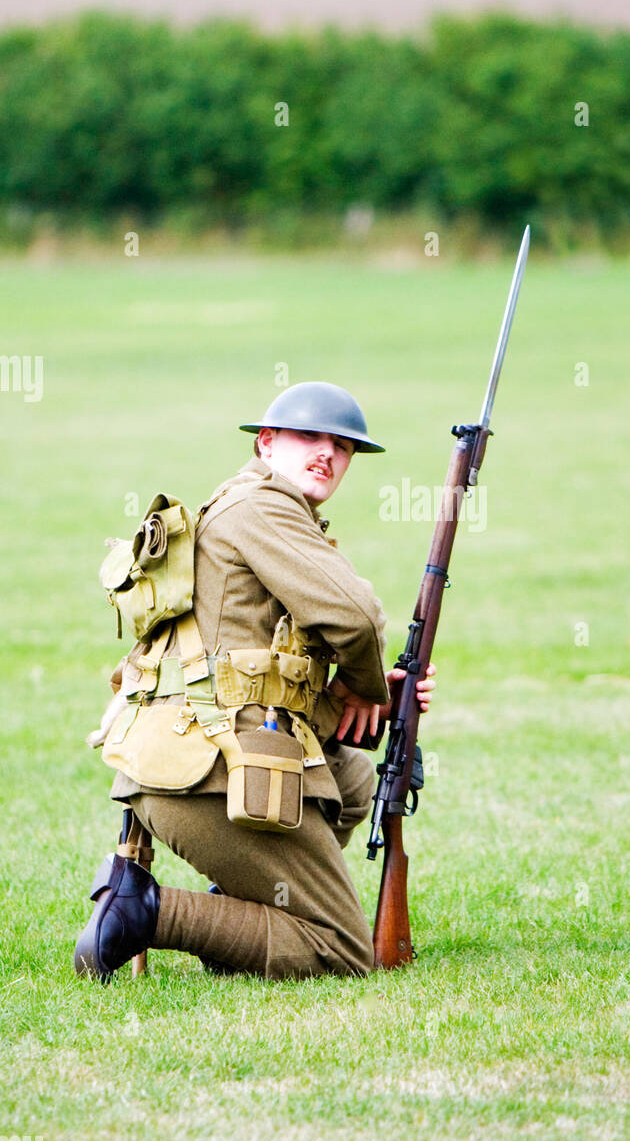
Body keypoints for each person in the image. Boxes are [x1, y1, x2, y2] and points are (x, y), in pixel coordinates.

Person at [74, 382, 435, 982]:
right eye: (308, 437)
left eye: (343, 445)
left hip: (187, 755)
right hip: (204, 770)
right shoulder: (263, 506)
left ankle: (237, 923)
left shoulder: (254, 506)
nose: (327, 453)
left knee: (350, 783)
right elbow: (358, 618)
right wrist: (367, 686)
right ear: (267, 443)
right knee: (341, 950)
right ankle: (145, 912)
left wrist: (366, 692)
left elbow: (263, 673)